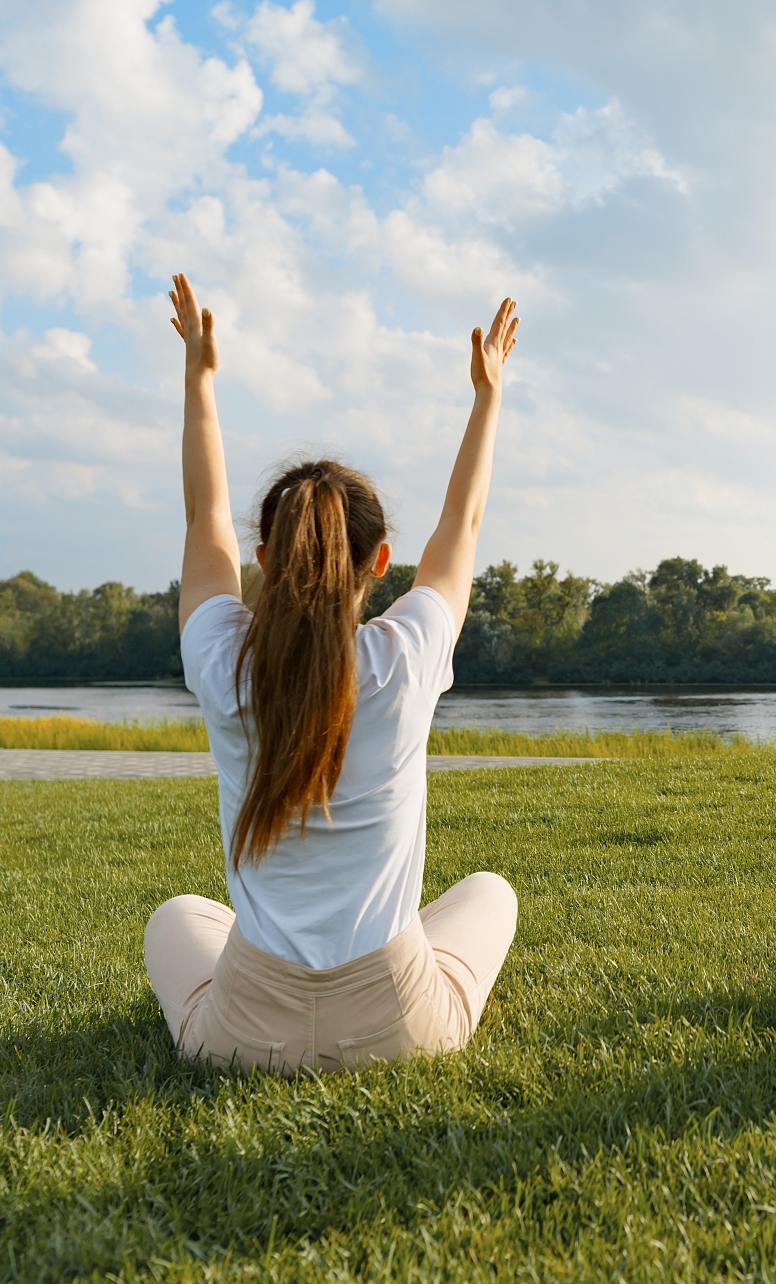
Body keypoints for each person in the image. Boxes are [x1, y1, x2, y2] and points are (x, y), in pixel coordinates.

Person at [143, 273, 521, 1074]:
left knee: (178, 915)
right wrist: (486, 399)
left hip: (246, 1029)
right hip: (395, 1025)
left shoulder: (222, 661)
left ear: (262, 561)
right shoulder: (405, 657)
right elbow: (464, 525)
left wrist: (199, 379)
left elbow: (203, 518)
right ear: (380, 562)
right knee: (489, 891)